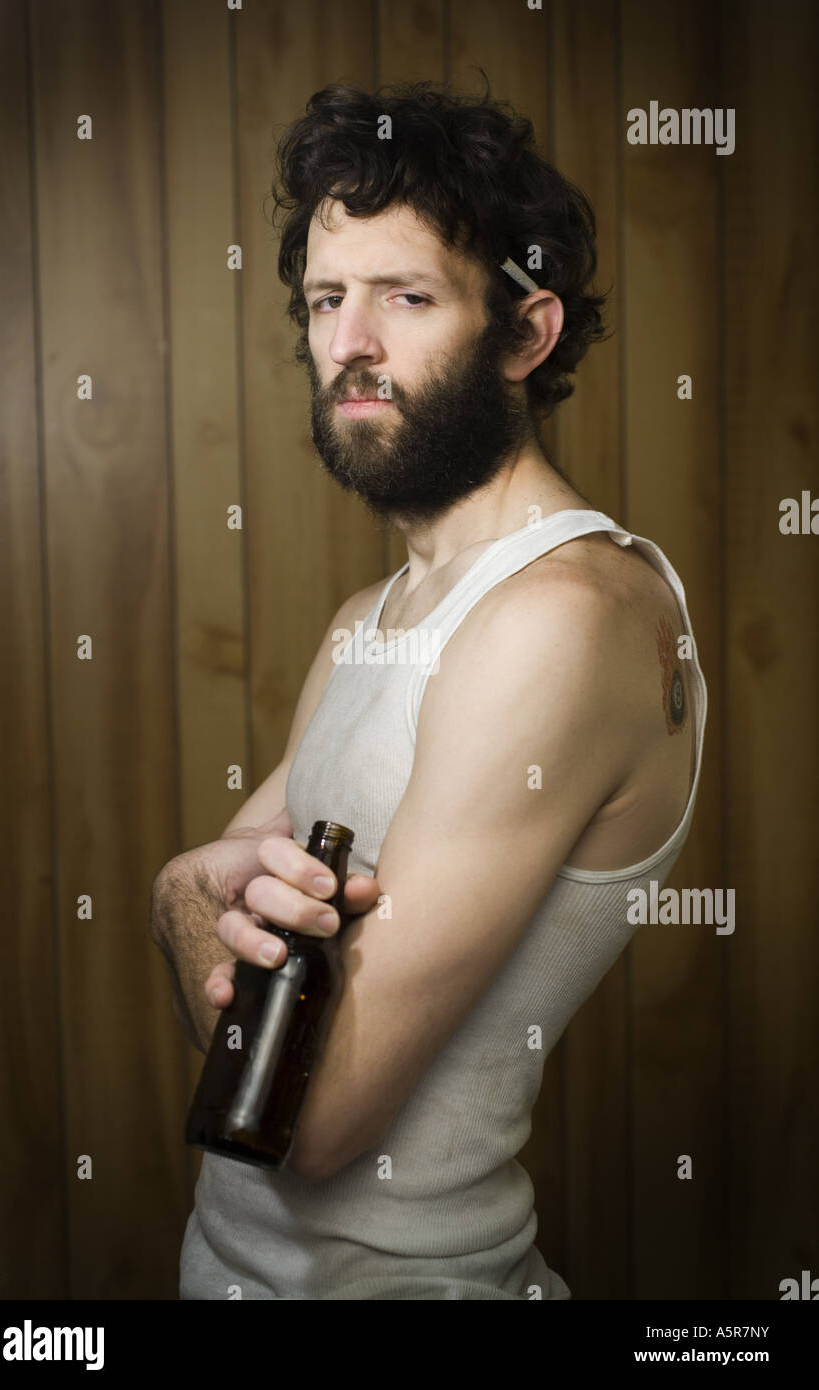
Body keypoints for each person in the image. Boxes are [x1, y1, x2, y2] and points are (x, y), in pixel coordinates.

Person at [151, 76, 708, 1300]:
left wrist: (183, 885)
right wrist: (206, 905)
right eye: (326, 300)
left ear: (524, 333)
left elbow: (302, 1115)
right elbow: (238, 1014)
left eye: (405, 298)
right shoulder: (374, 621)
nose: (349, 344)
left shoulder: (562, 618)